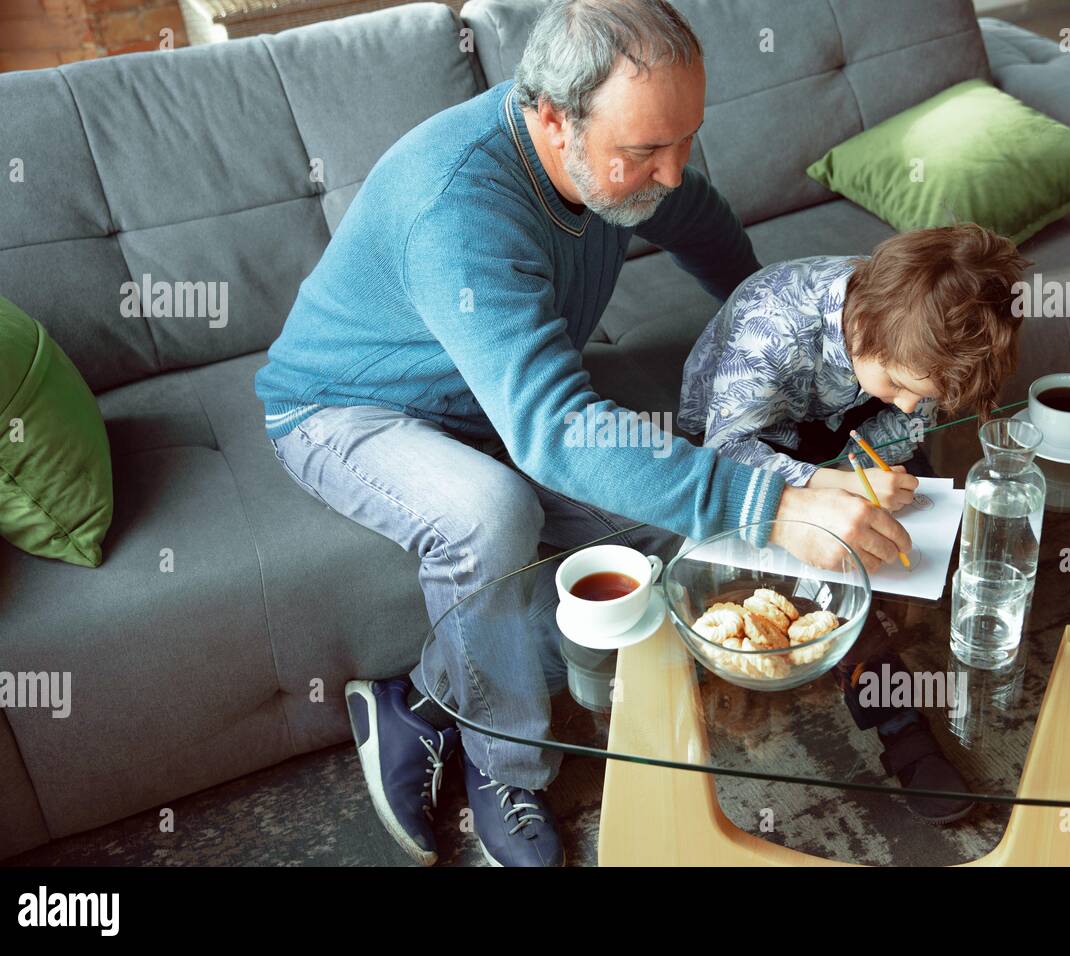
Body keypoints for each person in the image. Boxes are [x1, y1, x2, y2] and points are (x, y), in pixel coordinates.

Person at [254, 0, 912, 867]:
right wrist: (772, 501)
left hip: (493, 399)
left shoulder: (627, 162)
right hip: (351, 411)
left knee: (676, 523)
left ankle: (416, 703)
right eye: (647, 152)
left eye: (685, 141)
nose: (672, 173)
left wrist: (784, 334)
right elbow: (554, 427)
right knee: (489, 514)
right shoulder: (459, 204)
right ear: (555, 121)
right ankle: (507, 770)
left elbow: (700, 220)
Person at [679, 223, 1031, 823]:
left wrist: (883, 449)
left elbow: (900, 419)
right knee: (840, 562)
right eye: (901, 384)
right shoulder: (777, 327)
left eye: (926, 395)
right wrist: (834, 485)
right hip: (745, 441)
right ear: (865, 327)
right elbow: (725, 457)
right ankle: (899, 720)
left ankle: (899, 666)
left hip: (849, 438)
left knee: (916, 546)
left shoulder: (927, 331)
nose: (914, 405)